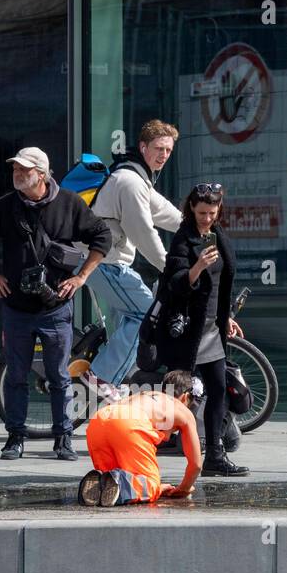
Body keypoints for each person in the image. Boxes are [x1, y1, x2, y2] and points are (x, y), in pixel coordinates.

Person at [0, 146, 111, 461]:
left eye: (24, 170)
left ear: (42, 174)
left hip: (55, 308)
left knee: (60, 376)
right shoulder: (6, 206)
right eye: (15, 170)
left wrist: (82, 277)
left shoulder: (69, 203)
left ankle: (63, 439)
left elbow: (103, 237)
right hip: (16, 308)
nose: (18, 175)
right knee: (17, 375)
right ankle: (15, 438)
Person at [83, 119, 183, 395]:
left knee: (127, 324)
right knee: (145, 314)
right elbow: (143, 233)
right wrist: (169, 268)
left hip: (109, 260)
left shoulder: (136, 176)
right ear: (143, 146)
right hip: (105, 262)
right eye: (158, 148)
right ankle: (101, 377)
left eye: (168, 150)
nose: (163, 155)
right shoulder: (130, 181)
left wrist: (196, 225)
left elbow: (161, 210)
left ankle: (120, 382)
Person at [156, 183, 248, 476]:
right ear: (191, 209)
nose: (206, 218)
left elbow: (223, 280)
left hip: (213, 326)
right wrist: (196, 267)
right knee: (178, 394)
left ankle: (215, 456)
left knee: (219, 389)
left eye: (211, 212)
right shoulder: (183, 238)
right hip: (189, 329)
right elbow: (174, 283)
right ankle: (150, 444)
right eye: (201, 212)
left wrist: (227, 316)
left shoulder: (217, 234)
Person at [79, 370, 203, 506]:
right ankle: (123, 486)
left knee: (113, 477)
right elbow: (196, 465)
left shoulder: (144, 396)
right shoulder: (181, 409)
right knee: (150, 484)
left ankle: (100, 484)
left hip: (99, 419)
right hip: (129, 422)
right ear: (185, 397)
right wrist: (184, 489)